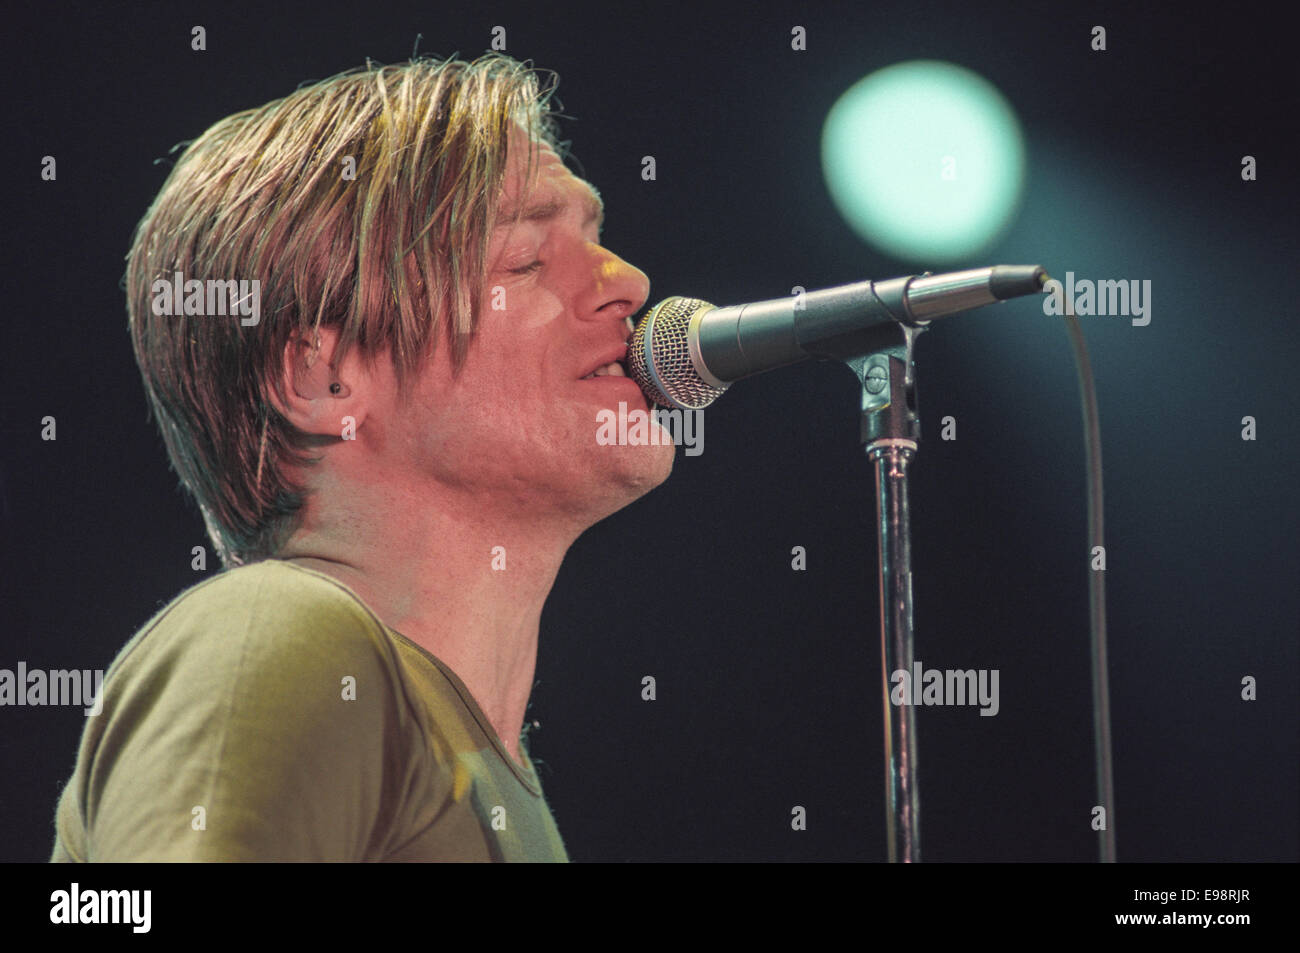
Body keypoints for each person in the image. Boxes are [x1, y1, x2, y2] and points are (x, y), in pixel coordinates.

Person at [49, 53, 674, 862]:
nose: (627, 280)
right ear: (323, 379)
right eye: (523, 259)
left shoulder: (495, 781)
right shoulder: (274, 634)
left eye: (596, 238)